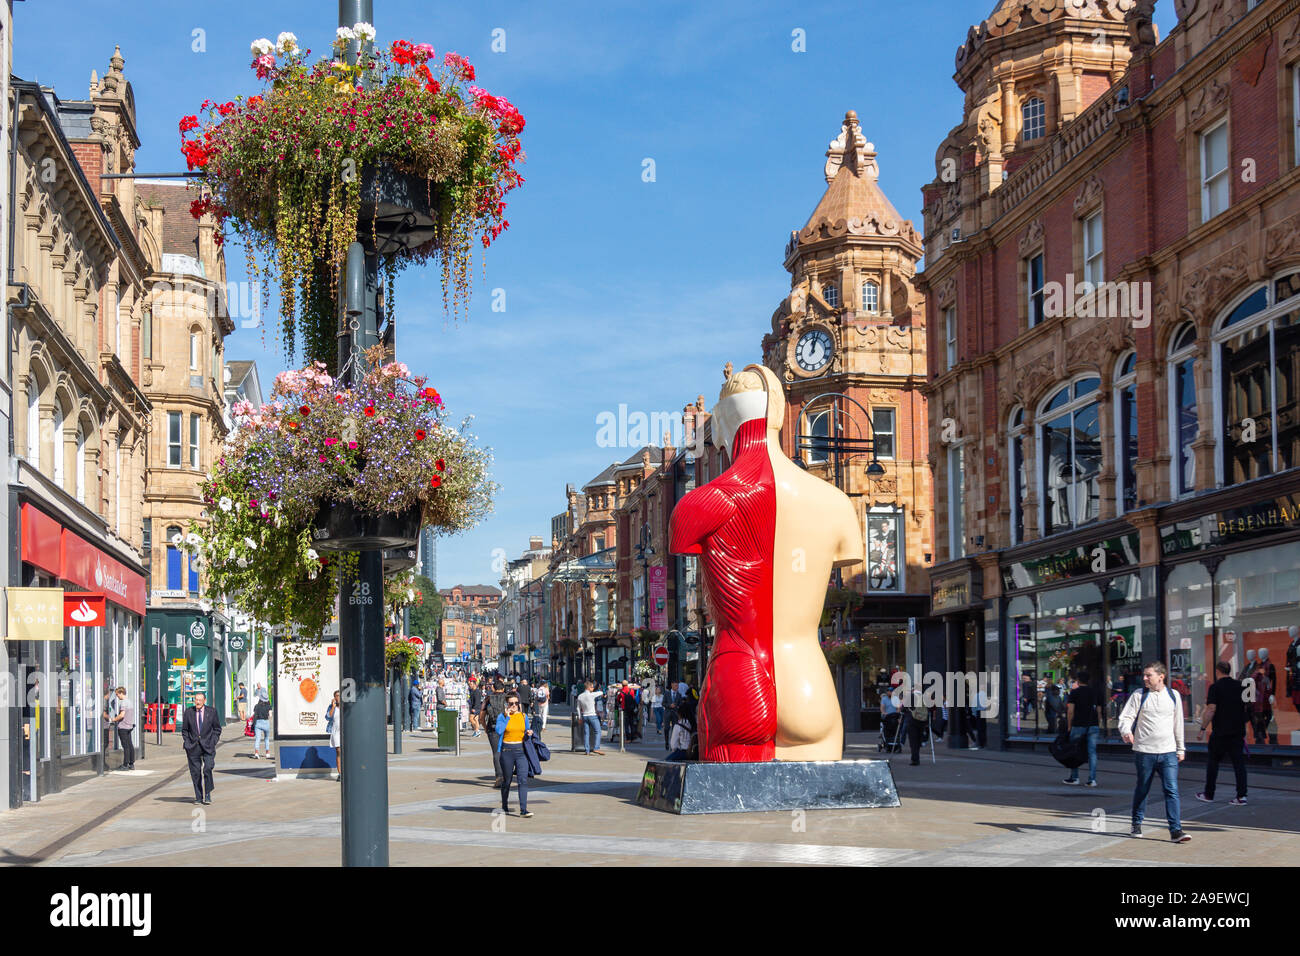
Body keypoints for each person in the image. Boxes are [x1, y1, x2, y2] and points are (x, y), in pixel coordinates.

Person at [1117, 662, 1190, 843]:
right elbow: (1126, 716)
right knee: (1143, 788)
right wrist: (1126, 731)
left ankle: (1175, 830)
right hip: (1144, 752)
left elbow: (1178, 724)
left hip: (1168, 752)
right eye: (1144, 675)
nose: (1144, 678)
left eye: (1148, 675)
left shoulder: (1174, 696)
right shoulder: (1139, 695)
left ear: (1161, 676)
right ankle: (1136, 823)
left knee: (1171, 790)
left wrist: (1181, 748)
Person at [1196, 660, 1248, 805]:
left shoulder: (1215, 687)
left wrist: (1202, 729)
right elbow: (1246, 707)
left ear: (1217, 671)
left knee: (1213, 763)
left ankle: (1209, 794)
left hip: (1220, 732)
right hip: (1237, 732)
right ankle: (1241, 796)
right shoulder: (1240, 686)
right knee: (1239, 764)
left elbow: (1211, 709)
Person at [495, 692, 535, 817]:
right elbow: (499, 731)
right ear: (506, 704)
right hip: (506, 751)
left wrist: (529, 733)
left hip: (521, 751)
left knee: (522, 780)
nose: (514, 705)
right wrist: (507, 717)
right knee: (507, 781)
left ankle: (523, 810)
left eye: (516, 703)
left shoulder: (523, 716)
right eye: (511, 703)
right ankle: (504, 806)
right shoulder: (502, 716)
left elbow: (527, 730)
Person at [1063, 672, 1103, 787]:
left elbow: (1070, 711)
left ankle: (1074, 777)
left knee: (1074, 750)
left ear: (1078, 681)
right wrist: (1097, 723)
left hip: (1078, 724)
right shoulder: (1095, 693)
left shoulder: (1075, 693)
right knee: (1092, 752)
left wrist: (1069, 725)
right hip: (1093, 725)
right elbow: (1099, 711)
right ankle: (1092, 779)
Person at [181, 692, 221, 805]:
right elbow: (184, 730)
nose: (197, 702)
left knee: (207, 768)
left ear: (204, 700)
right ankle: (198, 797)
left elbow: (217, 729)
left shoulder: (212, 712)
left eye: (200, 700)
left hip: (208, 746)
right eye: (196, 700)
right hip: (193, 747)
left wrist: (213, 741)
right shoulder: (189, 712)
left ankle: (208, 793)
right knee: (195, 773)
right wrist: (187, 743)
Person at [481, 677, 509, 784]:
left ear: (493, 688)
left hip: (492, 728)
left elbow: (481, 716)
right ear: (503, 689)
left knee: (496, 752)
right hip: (506, 728)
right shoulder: (507, 697)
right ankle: (508, 775)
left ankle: (499, 776)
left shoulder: (488, 699)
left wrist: (485, 727)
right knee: (508, 751)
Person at [575, 680, 604, 755]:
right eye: (592, 687)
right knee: (598, 731)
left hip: (584, 716)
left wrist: (579, 717)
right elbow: (601, 693)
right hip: (592, 715)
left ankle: (587, 750)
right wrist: (600, 688)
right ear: (588, 688)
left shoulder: (580, 696)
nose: (593, 688)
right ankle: (596, 748)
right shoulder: (592, 695)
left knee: (586, 733)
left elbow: (578, 708)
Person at [110, 686, 135, 770]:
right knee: (130, 745)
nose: (117, 696)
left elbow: (122, 715)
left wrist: (113, 719)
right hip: (129, 726)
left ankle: (125, 765)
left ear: (121, 693)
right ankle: (131, 764)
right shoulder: (130, 702)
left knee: (125, 746)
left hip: (123, 727)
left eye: (117, 695)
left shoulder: (124, 703)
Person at [903, 689, 930, 766]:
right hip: (922, 721)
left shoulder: (910, 697)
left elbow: (904, 708)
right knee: (918, 740)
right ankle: (916, 755)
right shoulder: (924, 698)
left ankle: (915, 759)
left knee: (913, 741)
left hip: (912, 721)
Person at [251, 688, 272, 759]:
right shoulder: (269, 706)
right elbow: (270, 716)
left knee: (258, 739)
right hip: (266, 723)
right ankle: (267, 753)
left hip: (258, 723)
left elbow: (254, 714)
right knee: (266, 738)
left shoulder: (256, 706)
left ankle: (256, 753)